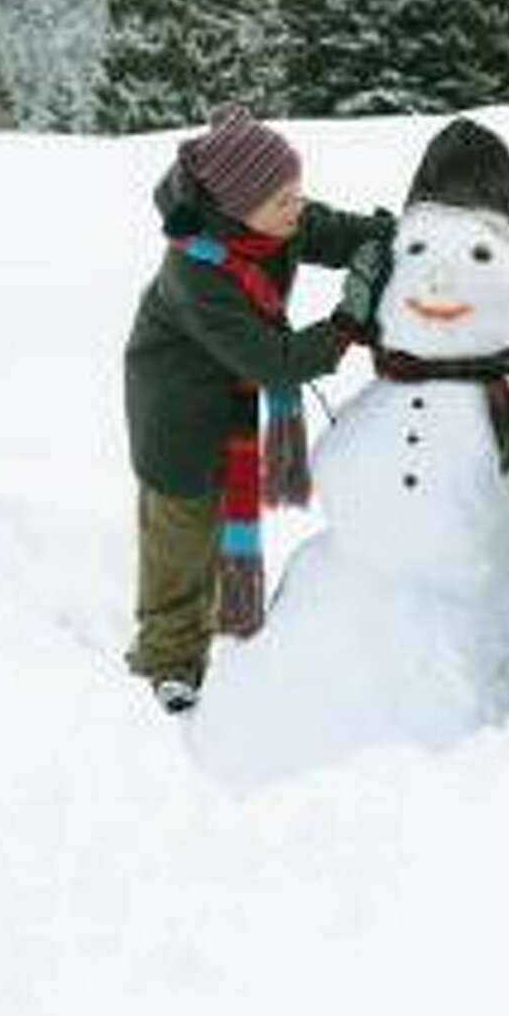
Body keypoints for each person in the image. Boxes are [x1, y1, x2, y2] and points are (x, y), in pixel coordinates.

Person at [123, 104, 395, 713]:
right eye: (283, 201)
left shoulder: (276, 220)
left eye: (298, 191)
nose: (297, 208)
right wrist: (349, 318)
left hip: (230, 391)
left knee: (223, 531)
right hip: (179, 415)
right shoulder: (196, 271)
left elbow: (342, 232)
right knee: (184, 536)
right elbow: (276, 361)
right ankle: (166, 661)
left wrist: (399, 238)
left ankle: (225, 639)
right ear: (233, 211)